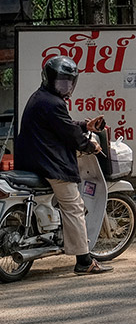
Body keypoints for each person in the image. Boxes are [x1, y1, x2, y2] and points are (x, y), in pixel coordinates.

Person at [15, 56, 110, 275]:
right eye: (61, 81)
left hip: (31, 161)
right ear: (49, 79)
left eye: (68, 82)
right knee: (73, 206)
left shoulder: (40, 97)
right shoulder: (53, 103)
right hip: (49, 164)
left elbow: (62, 125)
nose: (65, 87)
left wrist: (85, 125)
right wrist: (90, 146)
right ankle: (84, 261)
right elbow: (70, 134)